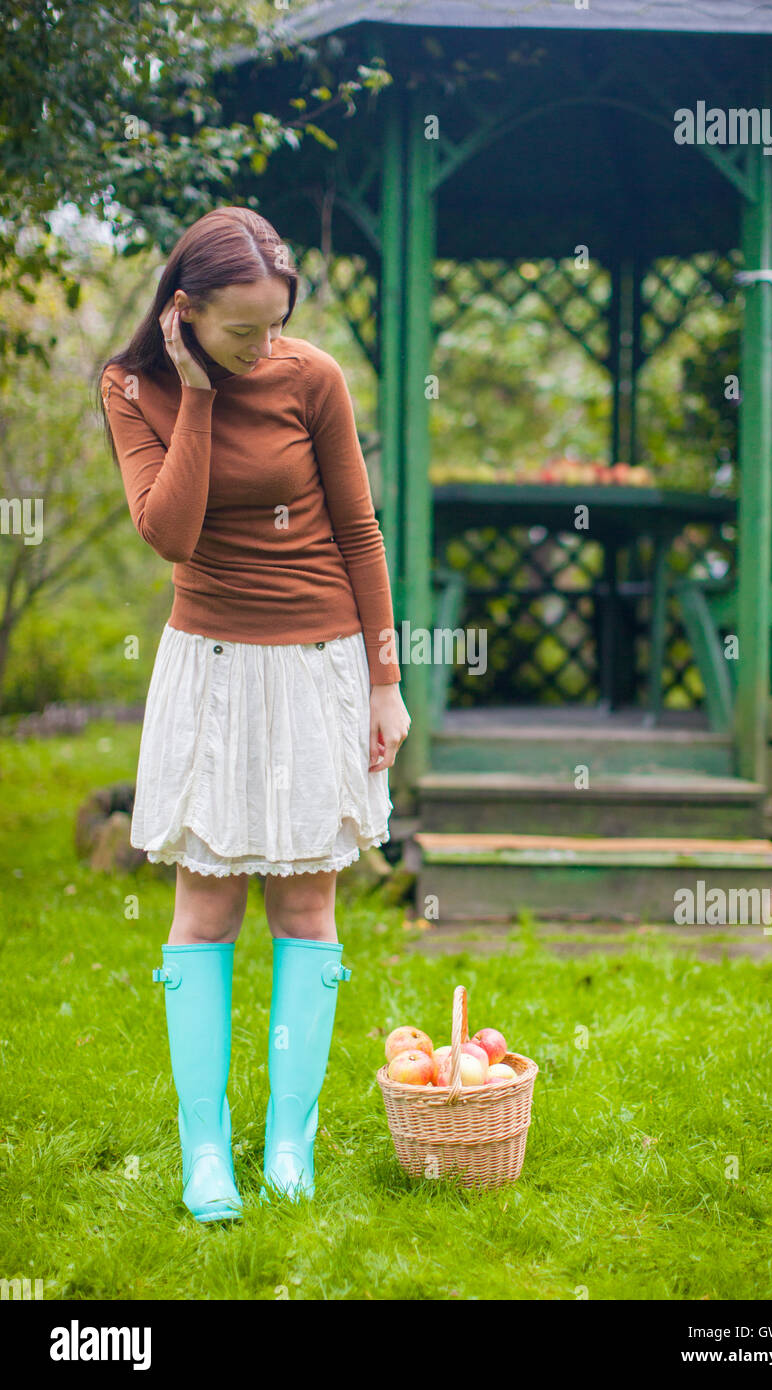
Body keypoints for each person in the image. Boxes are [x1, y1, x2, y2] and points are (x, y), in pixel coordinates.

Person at [96, 206, 410, 1223]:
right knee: (207, 907)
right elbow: (171, 532)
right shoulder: (133, 385)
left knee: (306, 908)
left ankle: (287, 1145)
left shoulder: (310, 377)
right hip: (213, 667)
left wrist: (383, 678)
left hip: (320, 661)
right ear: (182, 313)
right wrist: (195, 392)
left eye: (274, 325)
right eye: (240, 331)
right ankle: (205, 1157)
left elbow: (358, 528)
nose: (262, 347)